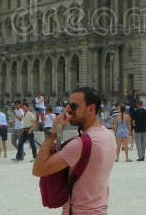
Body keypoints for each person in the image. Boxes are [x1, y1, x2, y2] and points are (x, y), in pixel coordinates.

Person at [32, 87, 116, 215]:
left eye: (74, 106)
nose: (69, 110)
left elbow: (38, 169)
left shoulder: (79, 144)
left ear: (91, 109)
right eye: (68, 105)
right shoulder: (109, 136)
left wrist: (53, 133)